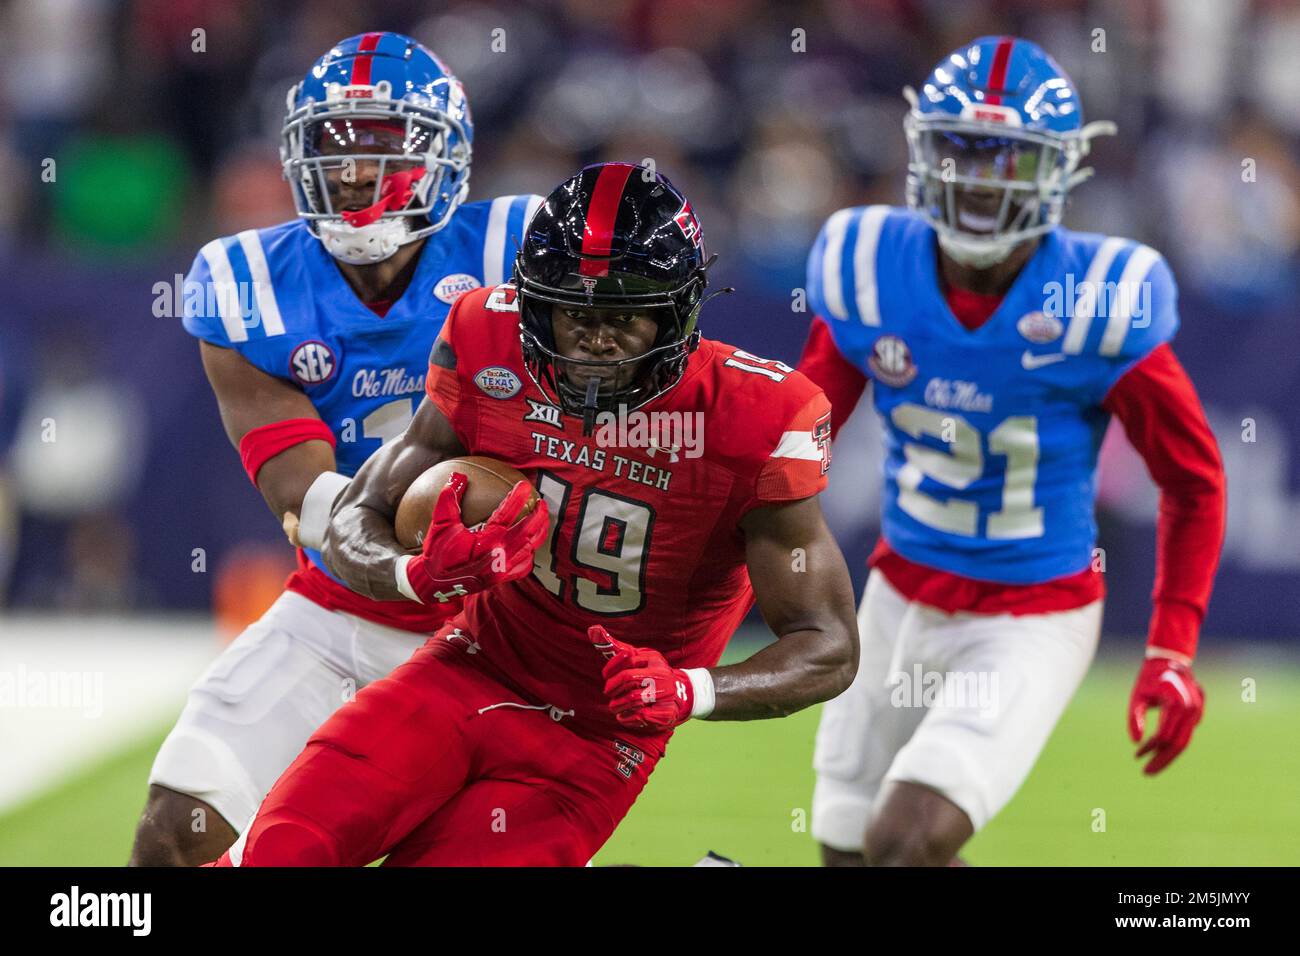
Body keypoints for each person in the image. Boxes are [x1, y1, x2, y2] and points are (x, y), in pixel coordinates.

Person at [209, 162, 859, 866]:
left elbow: (828, 644)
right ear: (532, 302)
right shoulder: (486, 340)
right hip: (466, 670)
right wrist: (412, 575)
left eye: (624, 318)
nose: (596, 341)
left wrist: (688, 688)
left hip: (595, 736)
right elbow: (359, 513)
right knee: (280, 853)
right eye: (574, 313)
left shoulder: (756, 415)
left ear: (677, 313)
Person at [798, 37, 1226, 866]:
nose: (980, 178)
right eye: (960, 150)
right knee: (851, 852)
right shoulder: (869, 268)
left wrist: (1172, 647)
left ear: (1058, 170)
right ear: (925, 152)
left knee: (904, 842)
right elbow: (794, 439)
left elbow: (1194, 482)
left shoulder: (1098, 301)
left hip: (1031, 615)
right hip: (897, 599)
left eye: (1006, 157)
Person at [131, 32, 542, 866]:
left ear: (444, 156)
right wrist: (402, 564)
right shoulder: (246, 281)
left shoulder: (523, 251)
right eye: (334, 144)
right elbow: (302, 496)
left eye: (383, 145)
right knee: (172, 838)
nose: (354, 171)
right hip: (340, 610)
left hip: (502, 629)